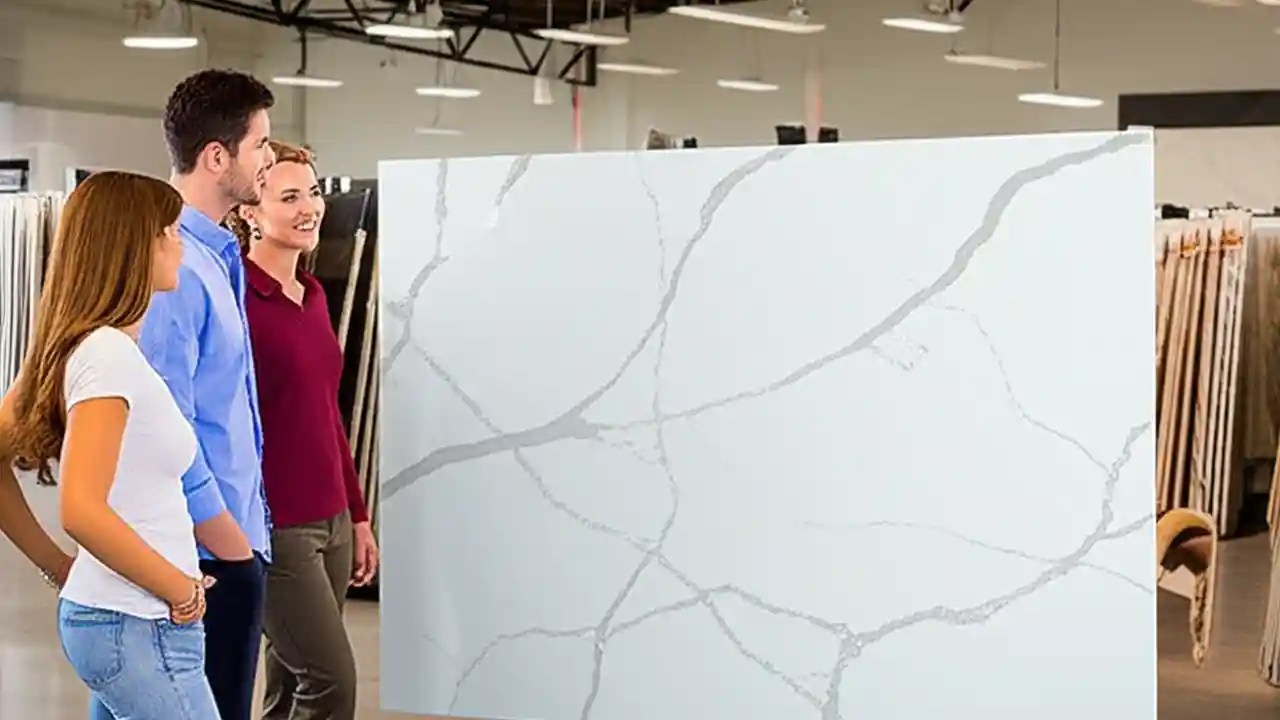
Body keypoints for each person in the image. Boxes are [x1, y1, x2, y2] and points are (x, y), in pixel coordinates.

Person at [0, 171, 217, 718]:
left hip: (122, 619)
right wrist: (180, 591)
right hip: (138, 624)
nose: (179, 241)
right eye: (169, 228)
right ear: (133, 245)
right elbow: (81, 510)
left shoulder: (91, 348)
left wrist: (60, 567)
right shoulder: (106, 356)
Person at [122, 68, 278, 720]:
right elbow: (167, 424)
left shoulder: (215, 256)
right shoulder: (175, 265)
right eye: (261, 144)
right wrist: (231, 545)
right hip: (207, 555)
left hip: (231, 540)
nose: (270, 159)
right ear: (217, 157)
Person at [225, 140, 379, 720]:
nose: (309, 207)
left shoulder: (312, 296)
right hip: (277, 527)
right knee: (331, 682)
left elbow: (327, 415)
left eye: (312, 192)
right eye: (288, 196)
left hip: (332, 522)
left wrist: (357, 515)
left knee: (290, 686)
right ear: (249, 211)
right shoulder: (236, 298)